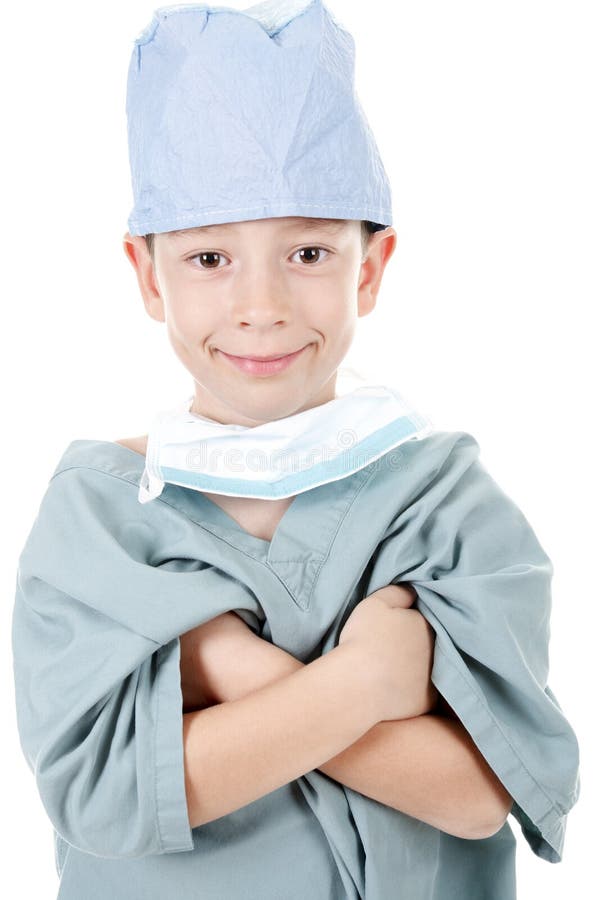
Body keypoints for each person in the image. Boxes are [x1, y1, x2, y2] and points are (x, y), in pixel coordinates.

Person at [11, 2, 580, 898]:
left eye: (308, 250)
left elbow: (479, 795)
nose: (262, 304)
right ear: (146, 274)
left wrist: (218, 663)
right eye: (209, 259)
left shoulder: (446, 504)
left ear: (371, 267)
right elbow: (107, 796)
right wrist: (365, 679)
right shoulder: (100, 516)